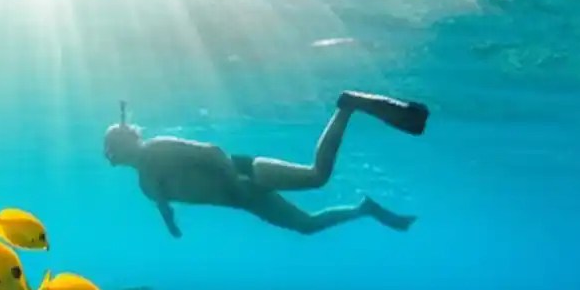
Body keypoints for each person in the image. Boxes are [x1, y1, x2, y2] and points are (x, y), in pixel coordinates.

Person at [102, 92, 429, 237]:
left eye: (111, 147)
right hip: (243, 199)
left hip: (246, 173)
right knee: (307, 226)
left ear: (126, 142)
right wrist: (170, 224)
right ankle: (365, 209)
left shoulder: (159, 148)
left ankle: (347, 107)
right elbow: (163, 202)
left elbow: (213, 152)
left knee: (317, 176)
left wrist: (235, 183)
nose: (109, 155)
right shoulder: (144, 184)